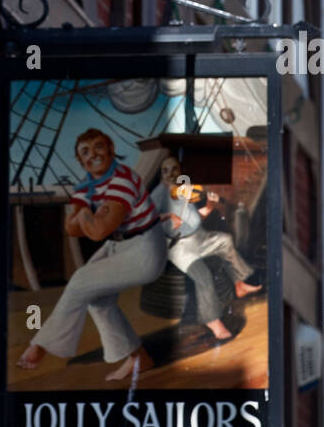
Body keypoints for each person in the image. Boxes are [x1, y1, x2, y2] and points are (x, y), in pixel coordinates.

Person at [17, 128, 166, 381]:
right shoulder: (87, 184)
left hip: (144, 249)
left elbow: (95, 231)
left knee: (80, 281)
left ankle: (40, 346)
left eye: (98, 147)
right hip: (119, 246)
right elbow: (71, 229)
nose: (93, 155)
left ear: (110, 150)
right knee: (97, 298)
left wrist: (84, 212)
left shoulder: (122, 181)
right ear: (80, 160)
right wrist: (88, 215)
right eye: (85, 152)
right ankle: (138, 358)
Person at [151, 154, 262, 342]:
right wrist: (167, 216)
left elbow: (197, 218)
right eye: (165, 170)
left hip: (200, 237)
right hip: (181, 246)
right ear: (161, 174)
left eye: (174, 169)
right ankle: (214, 323)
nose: (170, 174)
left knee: (225, 241)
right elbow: (147, 218)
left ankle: (239, 283)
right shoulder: (160, 193)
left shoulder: (185, 189)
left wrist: (210, 205)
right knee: (203, 276)